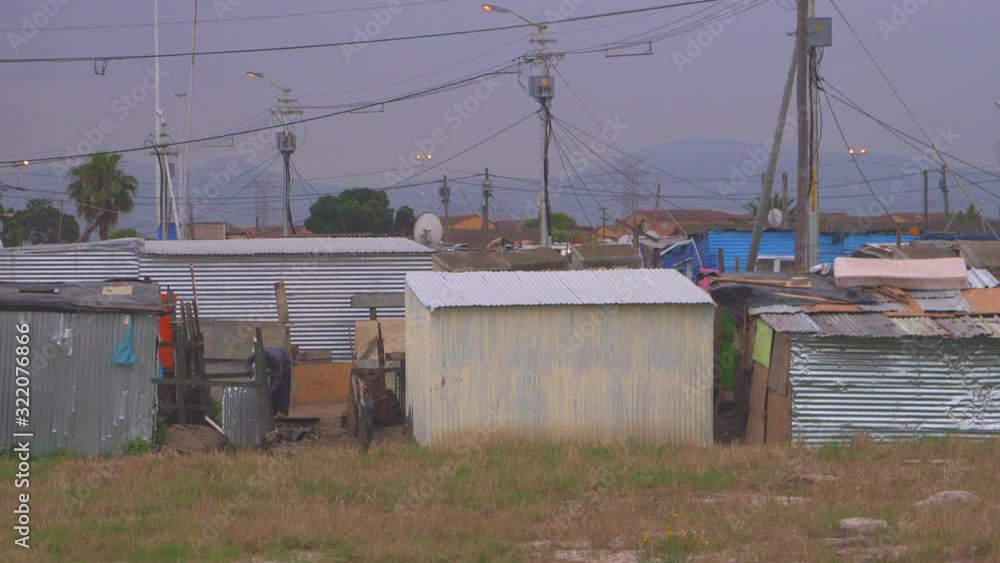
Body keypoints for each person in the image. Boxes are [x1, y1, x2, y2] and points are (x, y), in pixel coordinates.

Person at [246, 347, 292, 416]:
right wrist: (249, 369)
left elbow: (277, 379)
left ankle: (283, 412)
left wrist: (269, 392)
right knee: (273, 389)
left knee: (282, 387)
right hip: (274, 361)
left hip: (285, 363)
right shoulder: (258, 354)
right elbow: (248, 361)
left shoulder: (277, 360)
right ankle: (273, 411)